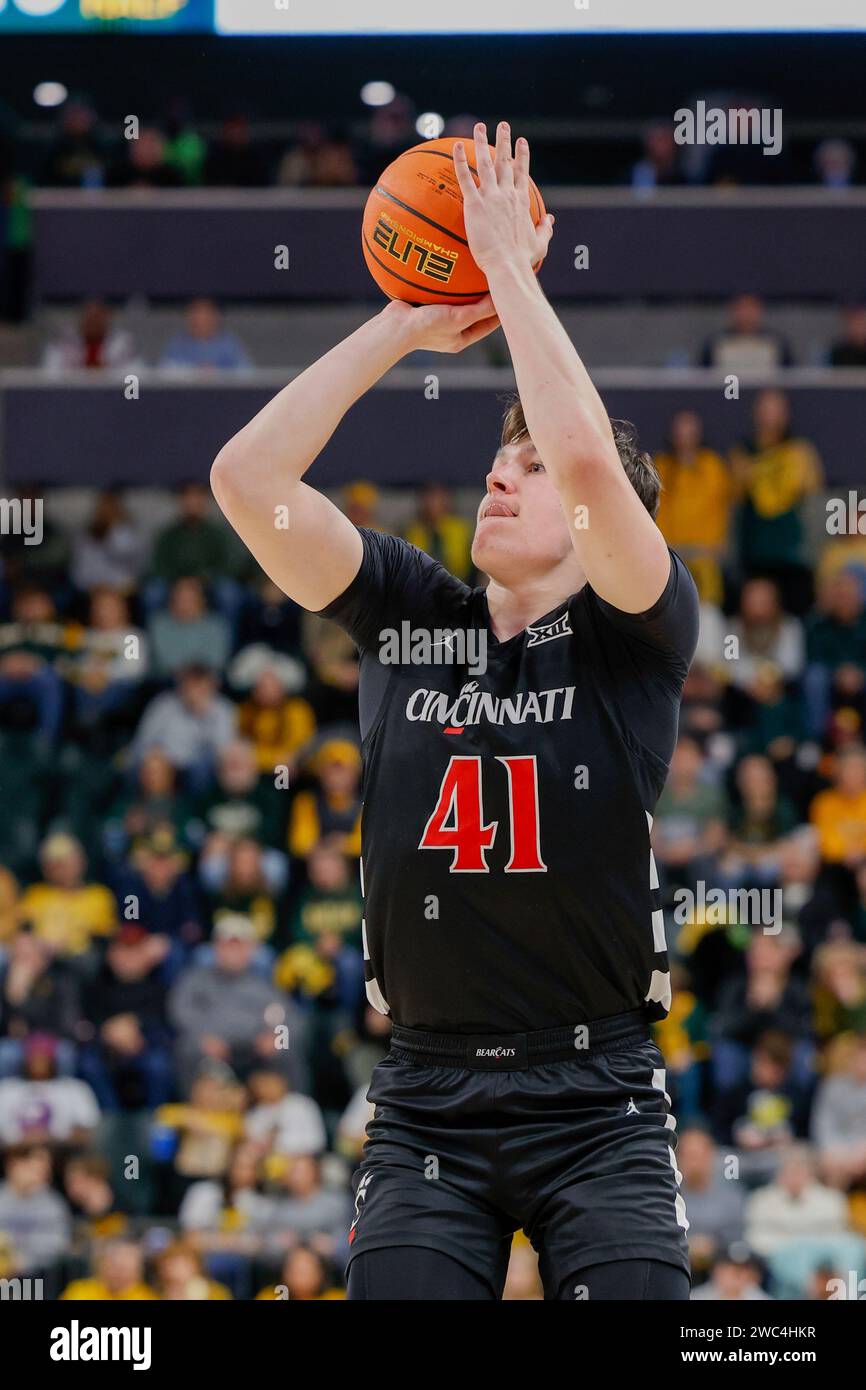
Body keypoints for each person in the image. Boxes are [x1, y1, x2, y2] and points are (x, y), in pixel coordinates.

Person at [211, 122, 698, 1302]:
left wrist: (513, 278)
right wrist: (405, 320)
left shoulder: (634, 628)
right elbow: (246, 481)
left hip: (600, 1097)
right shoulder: (404, 609)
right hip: (425, 1091)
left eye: (524, 469)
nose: (500, 474)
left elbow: (591, 469)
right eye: (498, 459)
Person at [160, 298, 251, 373]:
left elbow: (247, 374)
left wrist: (217, 372)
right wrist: (194, 372)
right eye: (195, 312)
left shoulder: (228, 344)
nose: (200, 319)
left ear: (216, 317)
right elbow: (165, 373)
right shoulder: (178, 344)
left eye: (207, 313)